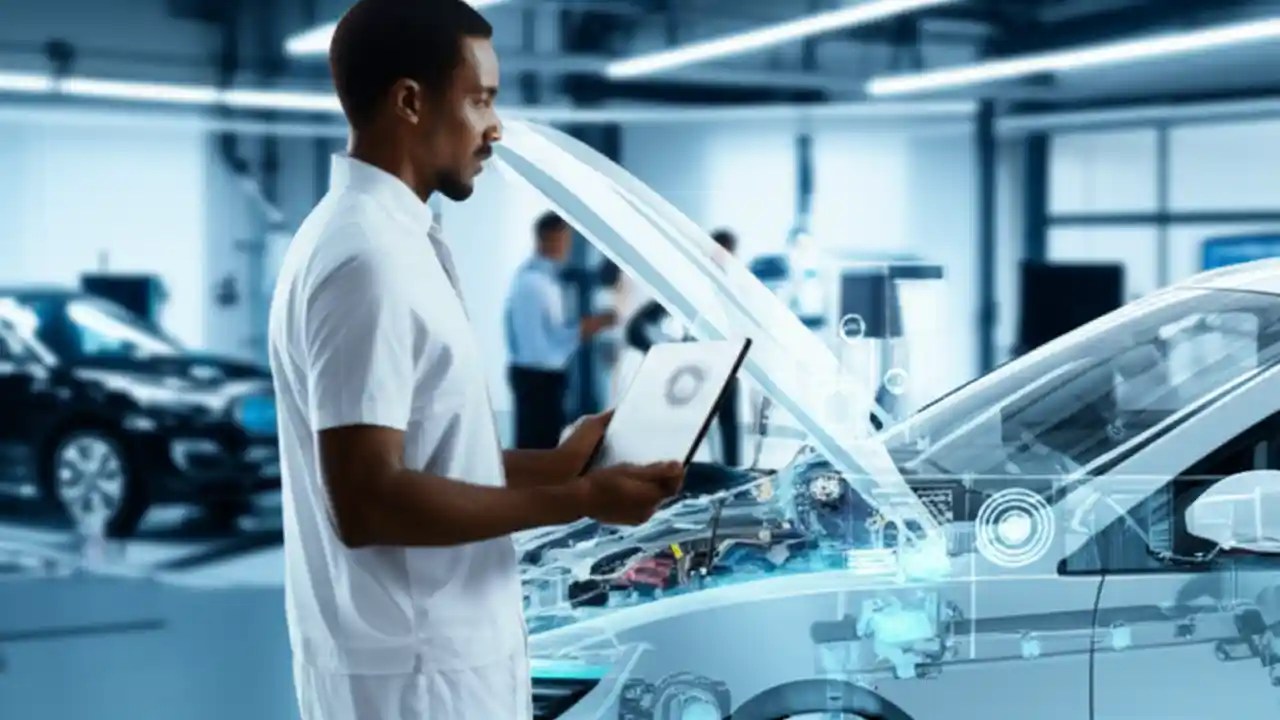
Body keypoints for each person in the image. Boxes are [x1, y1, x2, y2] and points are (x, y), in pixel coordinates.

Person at [265, 2, 684, 719]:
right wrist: (581, 501)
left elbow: (420, 456)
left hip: (437, 655)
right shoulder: (365, 257)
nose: (496, 125)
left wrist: (555, 464)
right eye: (481, 99)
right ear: (408, 101)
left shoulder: (394, 238)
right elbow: (366, 500)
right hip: (415, 675)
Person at [625, 228, 741, 466]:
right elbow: (636, 329)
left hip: (724, 363)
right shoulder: (690, 288)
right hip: (699, 368)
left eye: (727, 254)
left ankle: (730, 476)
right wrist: (669, 352)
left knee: (728, 427)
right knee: (689, 432)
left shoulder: (733, 290)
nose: (723, 259)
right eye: (719, 253)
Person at [504, 211, 615, 449]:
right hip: (539, 379)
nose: (566, 247)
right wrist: (600, 322)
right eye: (564, 240)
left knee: (536, 445)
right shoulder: (536, 283)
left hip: (534, 375)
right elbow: (558, 335)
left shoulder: (536, 277)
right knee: (539, 449)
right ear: (549, 238)